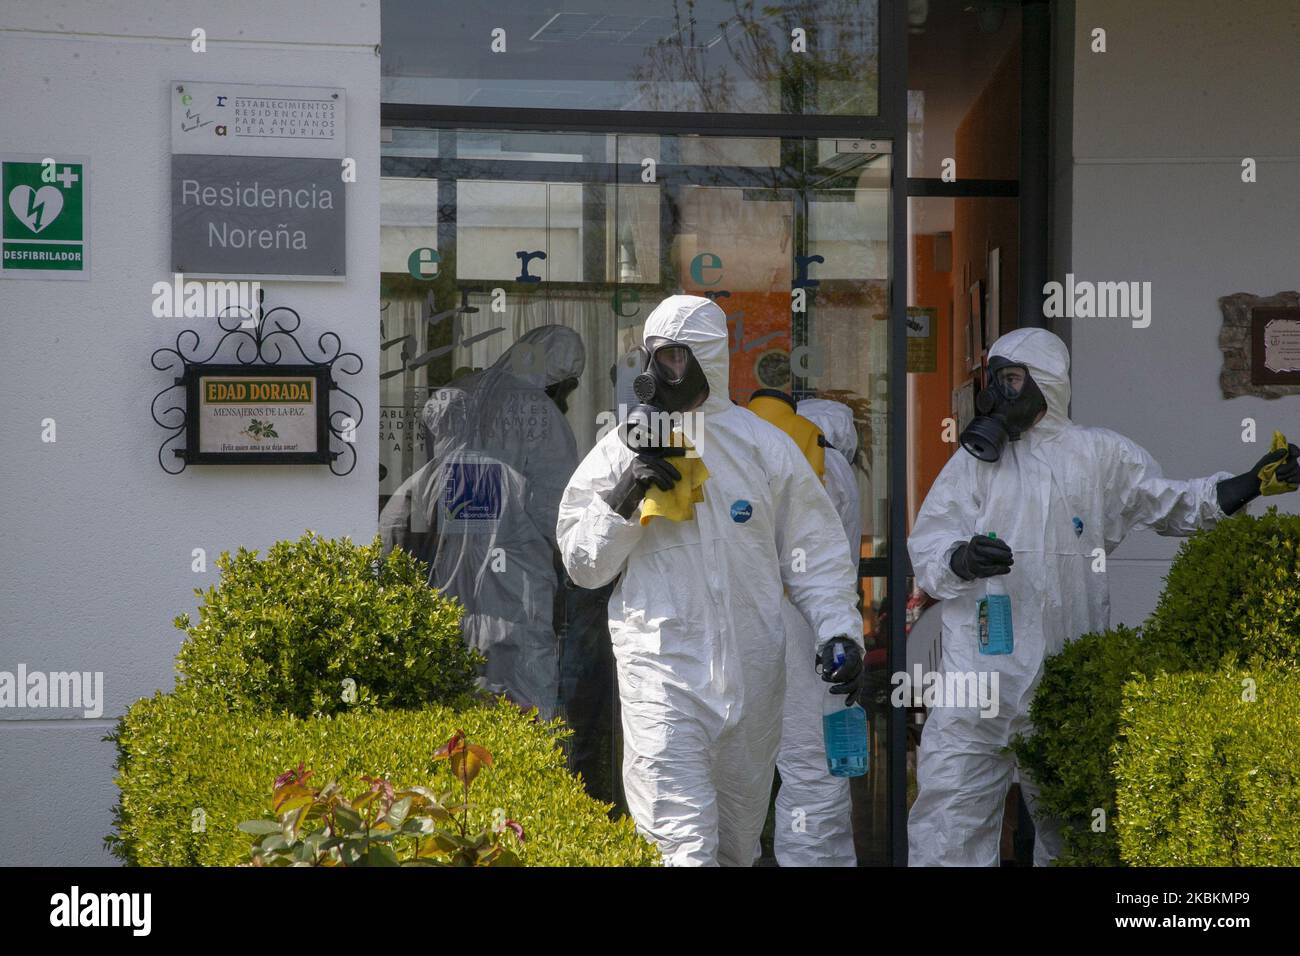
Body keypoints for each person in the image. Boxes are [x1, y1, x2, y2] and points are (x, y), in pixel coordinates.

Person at [906, 326, 1300, 866]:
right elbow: (928, 545)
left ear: (1045, 382)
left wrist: (1247, 484)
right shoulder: (974, 463)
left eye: (1012, 379)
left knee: (1075, 829)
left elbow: (1173, 506)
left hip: (1065, 677)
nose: (998, 394)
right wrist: (960, 558)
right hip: (978, 683)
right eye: (994, 380)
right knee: (949, 826)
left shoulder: (1099, 455)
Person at [556, 295, 865, 866]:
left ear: (709, 360)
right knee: (682, 847)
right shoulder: (624, 445)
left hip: (753, 682)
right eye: (652, 358)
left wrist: (839, 631)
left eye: (674, 358)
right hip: (662, 671)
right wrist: (627, 493)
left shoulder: (763, 447)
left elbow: (815, 554)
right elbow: (582, 563)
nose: (657, 374)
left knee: (733, 848)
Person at [380, 325, 585, 720]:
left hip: (448, 584)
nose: (568, 401)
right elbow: (560, 514)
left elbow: (405, 516)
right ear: (559, 380)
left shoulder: (460, 398)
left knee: (456, 697)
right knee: (522, 692)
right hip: (515, 583)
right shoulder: (538, 413)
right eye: (569, 389)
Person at [750, 395, 864, 867]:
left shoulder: (774, 459)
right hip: (821, 642)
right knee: (815, 776)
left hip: (769, 631)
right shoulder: (837, 472)